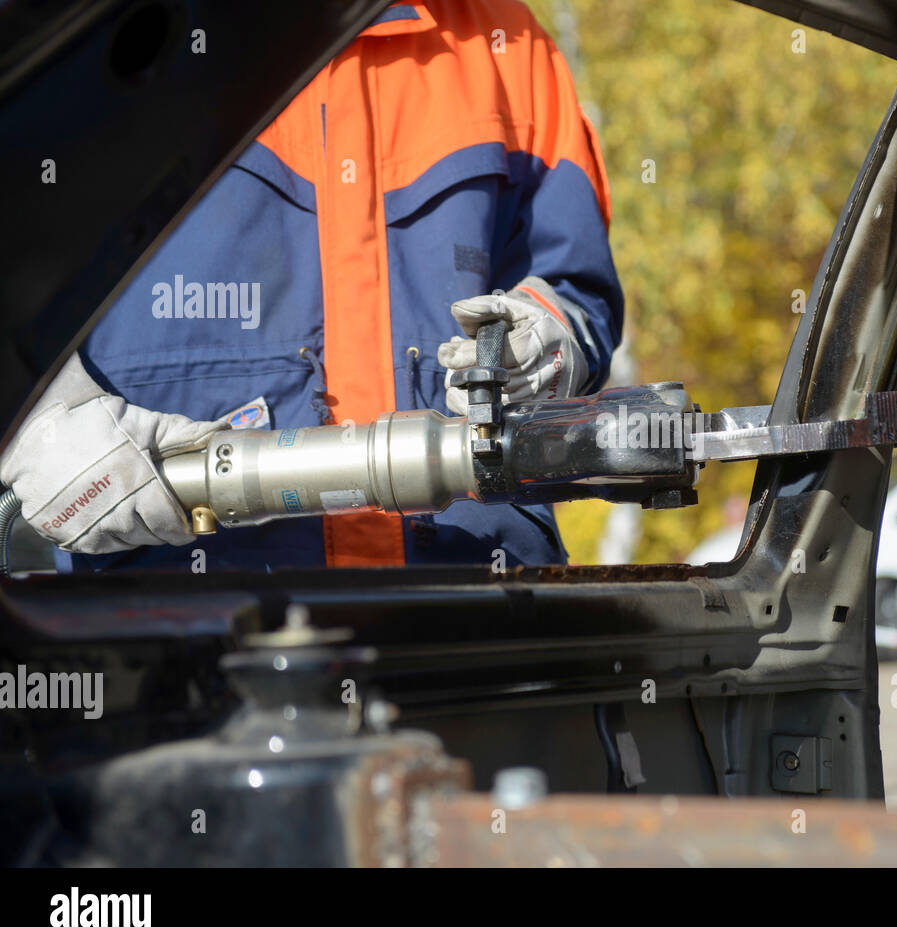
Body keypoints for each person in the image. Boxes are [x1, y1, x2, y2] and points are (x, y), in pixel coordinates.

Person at [0, 0, 622, 572]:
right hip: (171, 632)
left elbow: (576, 290)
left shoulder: (503, 43)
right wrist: (36, 426)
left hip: (481, 625)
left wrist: (546, 339)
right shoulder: (73, 29)